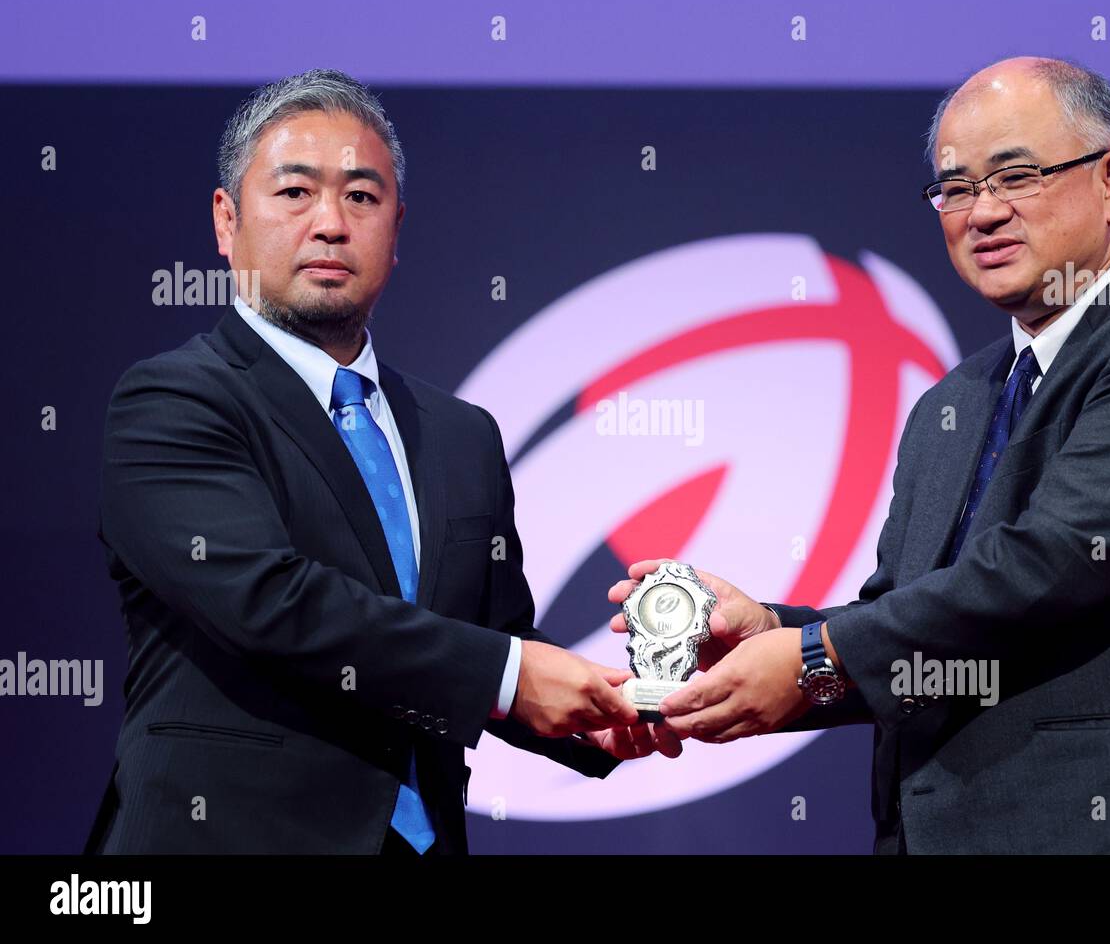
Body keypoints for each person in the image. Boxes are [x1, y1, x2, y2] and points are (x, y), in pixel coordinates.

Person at [610, 56, 1110, 854]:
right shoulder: (955, 400)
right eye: (956, 188)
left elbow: (1042, 569)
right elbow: (918, 620)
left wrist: (805, 659)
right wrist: (773, 630)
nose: (984, 213)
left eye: (1016, 176)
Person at [87, 68, 677, 856]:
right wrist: (509, 676)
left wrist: (588, 720)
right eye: (295, 193)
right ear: (226, 223)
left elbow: (486, 638)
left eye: (362, 197)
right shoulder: (171, 402)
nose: (331, 223)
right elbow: (274, 605)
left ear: (396, 230)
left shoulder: (462, 434)